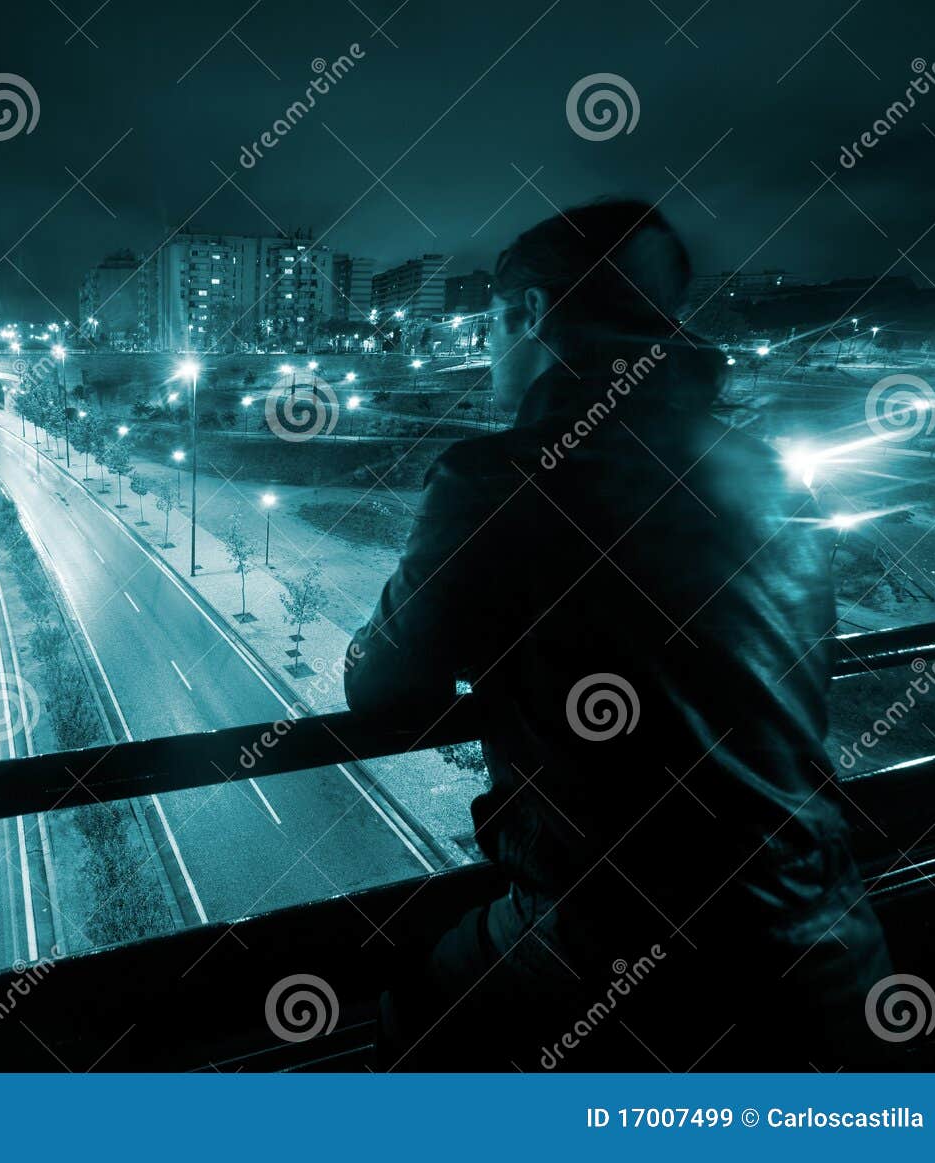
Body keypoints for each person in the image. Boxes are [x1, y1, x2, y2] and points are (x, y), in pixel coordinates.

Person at [346, 199, 891, 1071]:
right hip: (828, 937)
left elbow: (381, 691)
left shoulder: (494, 480)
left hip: (618, 948)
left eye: (491, 324)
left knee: (415, 1019)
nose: (487, 354)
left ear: (526, 314)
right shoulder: (775, 479)